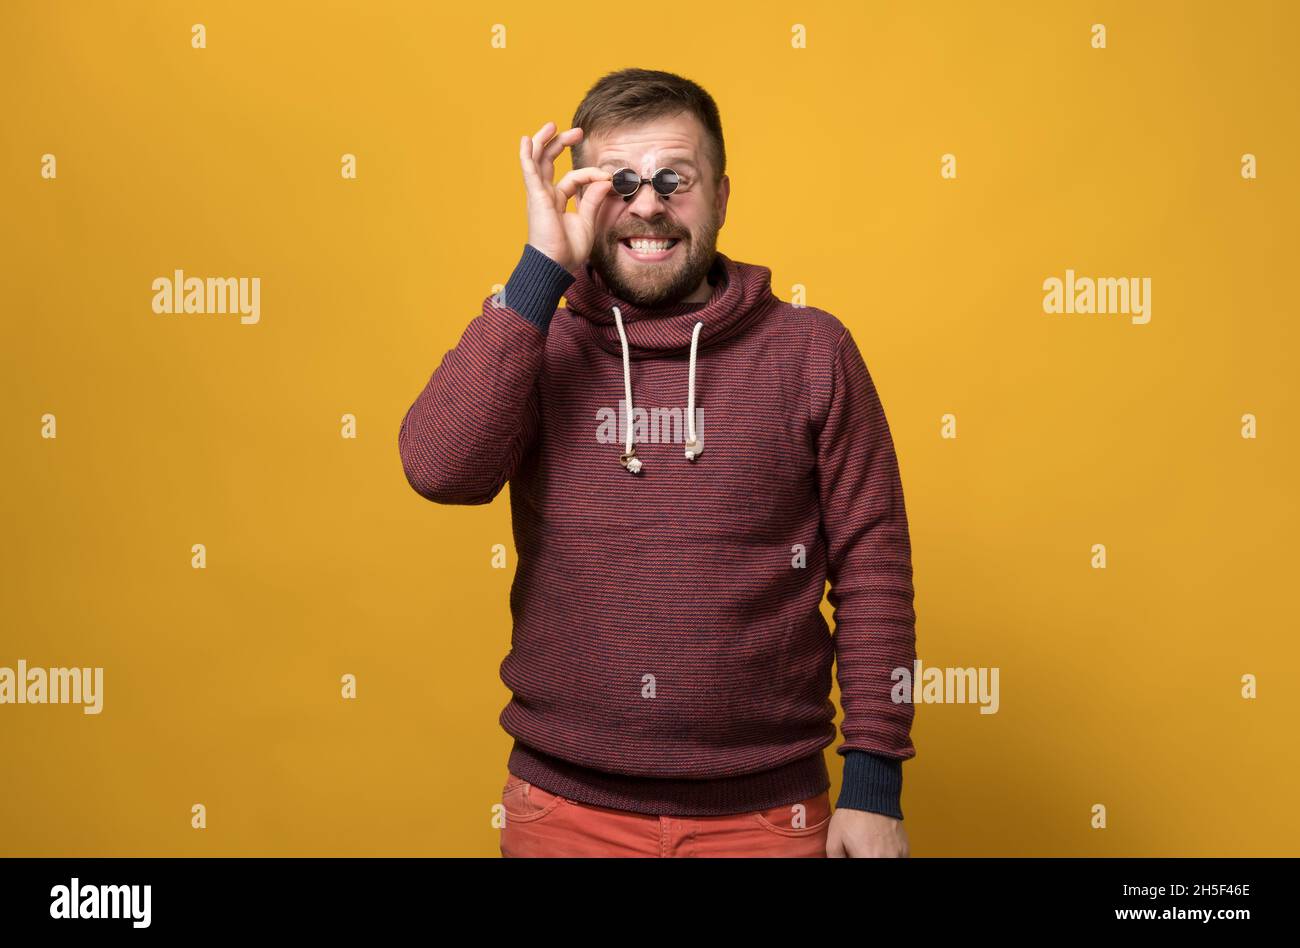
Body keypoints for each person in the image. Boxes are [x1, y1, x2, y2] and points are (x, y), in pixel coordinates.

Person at [399, 68, 917, 857]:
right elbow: (439, 469)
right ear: (581, 197)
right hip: (564, 810)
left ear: (722, 194)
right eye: (620, 182)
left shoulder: (813, 352)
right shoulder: (537, 340)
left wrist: (875, 785)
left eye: (675, 180)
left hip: (768, 818)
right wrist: (541, 268)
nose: (647, 205)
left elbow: (874, 569)